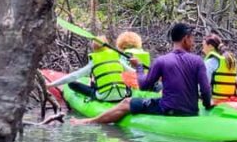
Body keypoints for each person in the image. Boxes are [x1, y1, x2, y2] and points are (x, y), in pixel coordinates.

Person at [71, 22, 212, 125]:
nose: (193, 42)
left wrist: (138, 67)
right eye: (192, 39)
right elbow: (206, 91)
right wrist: (207, 105)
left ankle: (89, 121)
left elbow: (144, 86)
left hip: (168, 109)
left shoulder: (161, 61)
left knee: (126, 102)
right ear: (185, 38)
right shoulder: (198, 61)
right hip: (192, 110)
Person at [50, 36, 131, 102]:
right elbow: (133, 72)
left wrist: (51, 85)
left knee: (72, 84)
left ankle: (95, 94)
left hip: (104, 96)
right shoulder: (117, 57)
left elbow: (74, 76)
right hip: (122, 95)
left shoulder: (94, 62)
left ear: (94, 47)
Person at [202, 33, 237, 99]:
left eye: (203, 46)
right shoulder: (229, 61)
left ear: (210, 46)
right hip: (229, 99)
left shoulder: (209, 63)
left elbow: (203, 86)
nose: (202, 50)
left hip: (215, 99)